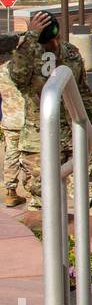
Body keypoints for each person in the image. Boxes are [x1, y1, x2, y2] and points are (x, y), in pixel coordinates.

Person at [8, 10, 92, 213]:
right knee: (41, 197)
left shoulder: (71, 53)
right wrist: (30, 36)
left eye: (55, 37)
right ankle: (41, 242)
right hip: (41, 137)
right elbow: (16, 76)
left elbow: (83, 92)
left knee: (87, 195)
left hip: (75, 134)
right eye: (47, 39)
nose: (53, 43)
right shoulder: (28, 55)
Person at [1, 54, 24, 207]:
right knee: (32, 155)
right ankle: (36, 191)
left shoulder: (1, 71)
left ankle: (10, 191)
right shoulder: (25, 69)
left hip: (9, 119)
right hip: (28, 119)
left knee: (11, 154)